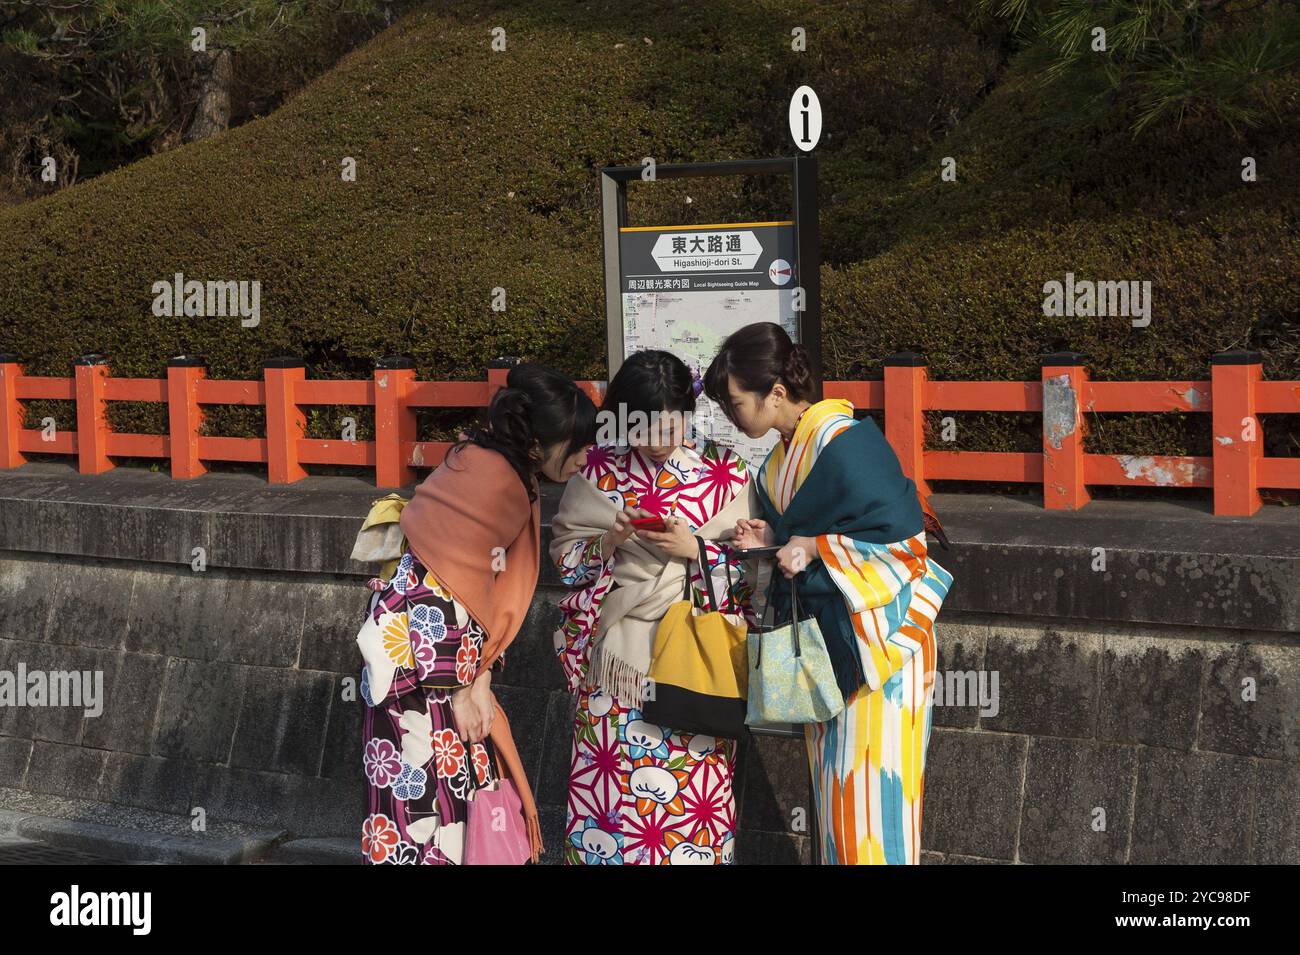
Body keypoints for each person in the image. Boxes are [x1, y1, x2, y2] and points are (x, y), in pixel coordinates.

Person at [704, 322, 954, 865]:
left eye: (735, 402)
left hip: (882, 645)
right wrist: (773, 537)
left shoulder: (842, 440)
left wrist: (815, 545)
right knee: (836, 804)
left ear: (774, 392)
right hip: (830, 646)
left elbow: (905, 544)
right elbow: (809, 529)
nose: (730, 415)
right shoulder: (785, 456)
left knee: (875, 803)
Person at [356, 363, 596, 865]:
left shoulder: (477, 458)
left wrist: (476, 675)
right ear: (538, 443)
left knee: (427, 799)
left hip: (418, 649)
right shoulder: (500, 481)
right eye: (575, 447)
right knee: (431, 808)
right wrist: (468, 684)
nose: (582, 458)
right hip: (428, 664)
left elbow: (463, 577)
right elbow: (455, 583)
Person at [550, 349, 757, 865]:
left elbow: (756, 569)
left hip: (692, 666)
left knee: (689, 809)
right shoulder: (597, 469)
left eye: (672, 426)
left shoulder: (725, 471)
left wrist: (698, 552)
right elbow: (568, 566)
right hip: (616, 674)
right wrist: (610, 541)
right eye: (644, 429)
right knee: (611, 806)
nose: (659, 442)